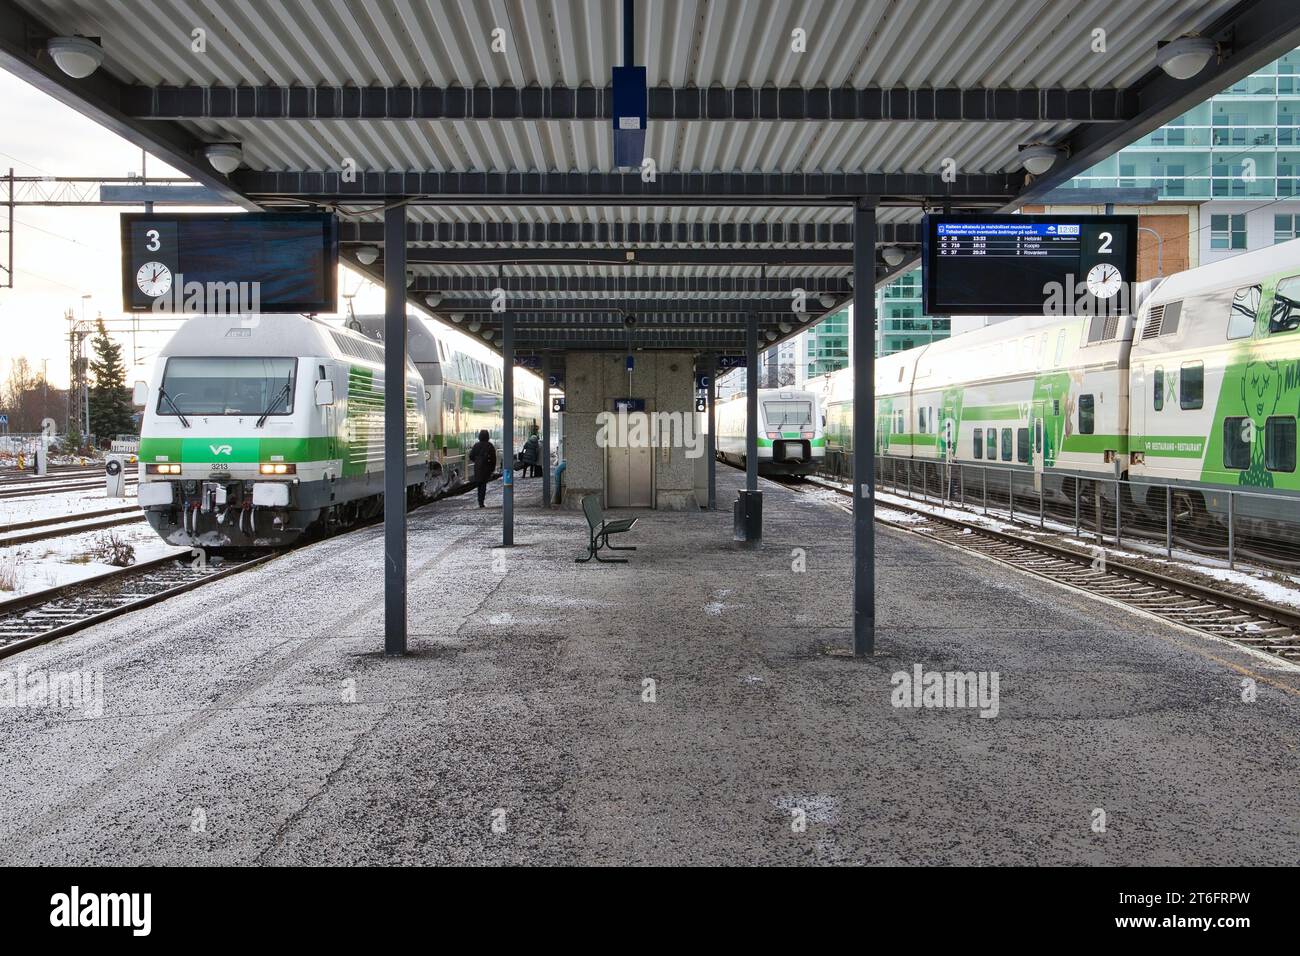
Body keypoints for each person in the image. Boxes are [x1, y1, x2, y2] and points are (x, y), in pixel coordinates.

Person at [468, 429, 496, 508]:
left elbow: (471, 456)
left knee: (479, 484)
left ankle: (479, 500)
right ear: (487, 436)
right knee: (483, 484)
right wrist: (492, 468)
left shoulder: (476, 445)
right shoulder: (490, 445)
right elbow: (493, 458)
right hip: (486, 468)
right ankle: (481, 502)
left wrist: (476, 461)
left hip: (478, 467)